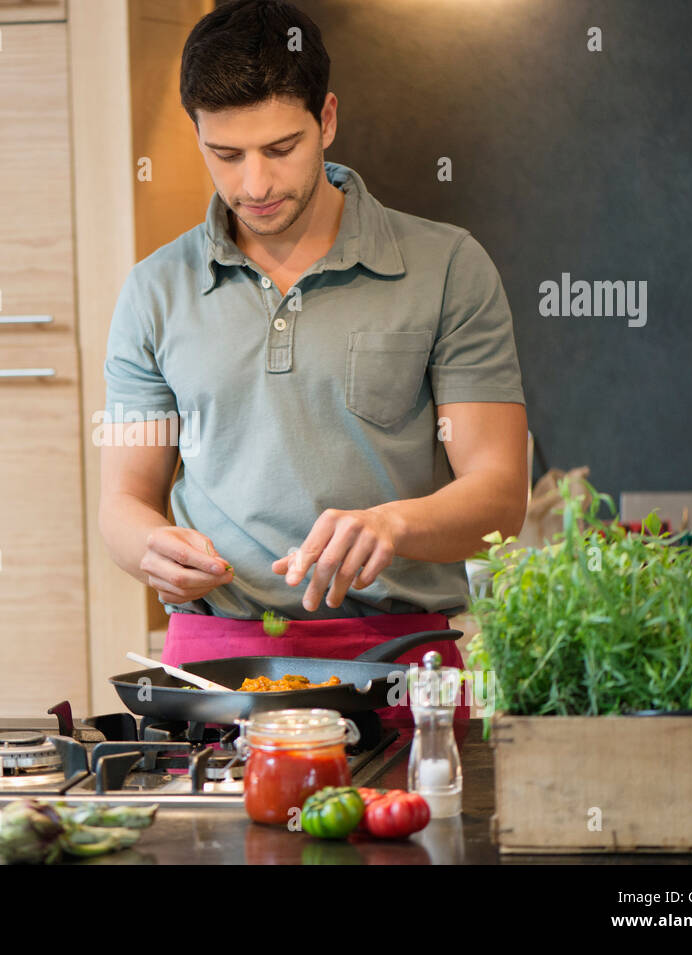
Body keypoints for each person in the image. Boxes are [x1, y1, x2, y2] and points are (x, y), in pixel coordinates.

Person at [98, 0, 528, 718]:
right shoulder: (153, 291)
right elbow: (122, 500)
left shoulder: (447, 266)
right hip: (216, 670)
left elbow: (500, 496)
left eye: (280, 148)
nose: (255, 185)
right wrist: (147, 547)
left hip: (394, 661)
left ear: (326, 119)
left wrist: (393, 525)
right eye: (225, 155)